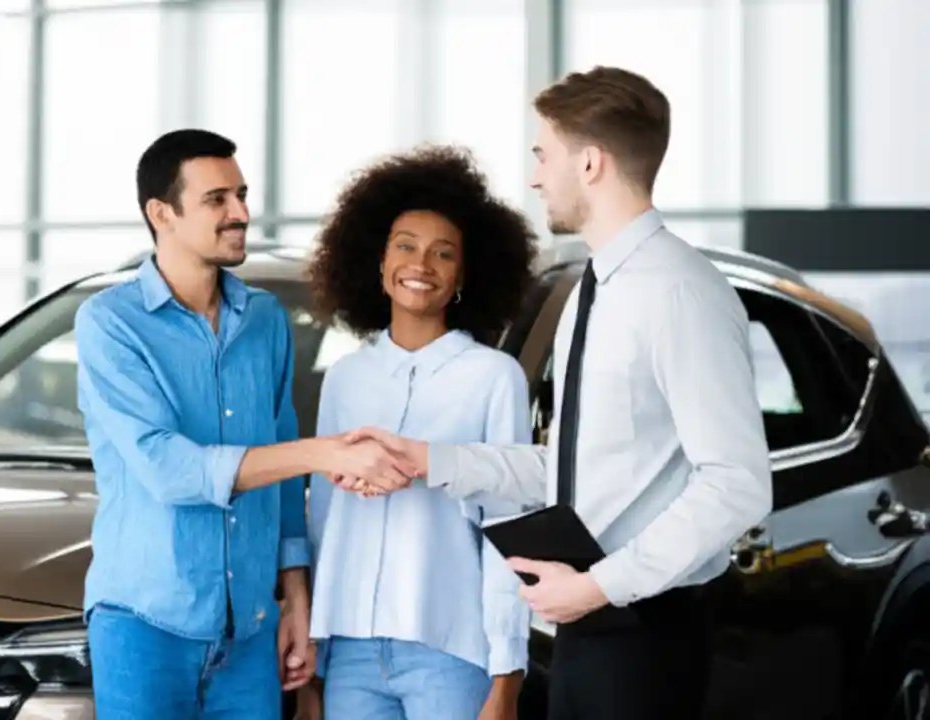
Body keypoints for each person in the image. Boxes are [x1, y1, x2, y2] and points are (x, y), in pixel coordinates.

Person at [342, 67, 774, 719]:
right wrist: (427, 460)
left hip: (641, 629)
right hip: (588, 622)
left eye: (544, 155)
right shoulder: (593, 293)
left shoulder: (678, 291)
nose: (536, 176)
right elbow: (574, 469)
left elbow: (737, 482)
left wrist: (601, 585)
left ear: (591, 162)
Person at [74, 129, 420, 719]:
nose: (241, 213)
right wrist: (325, 453)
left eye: (242, 194)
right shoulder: (110, 323)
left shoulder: (263, 319)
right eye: (217, 200)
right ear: (162, 214)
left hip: (252, 631)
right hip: (144, 624)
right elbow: (167, 468)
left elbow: (281, 465)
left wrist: (296, 602)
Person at [300, 145, 538, 720]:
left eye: (443, 253)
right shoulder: (345, 380)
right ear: (378, 263)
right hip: (350, 653)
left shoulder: (493, 377)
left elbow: (511, 530)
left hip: (451, 651)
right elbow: (323, 525)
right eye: (405, 246)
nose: (421, 264)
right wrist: (315, 659)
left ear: (462, 275)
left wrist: (507, 673)